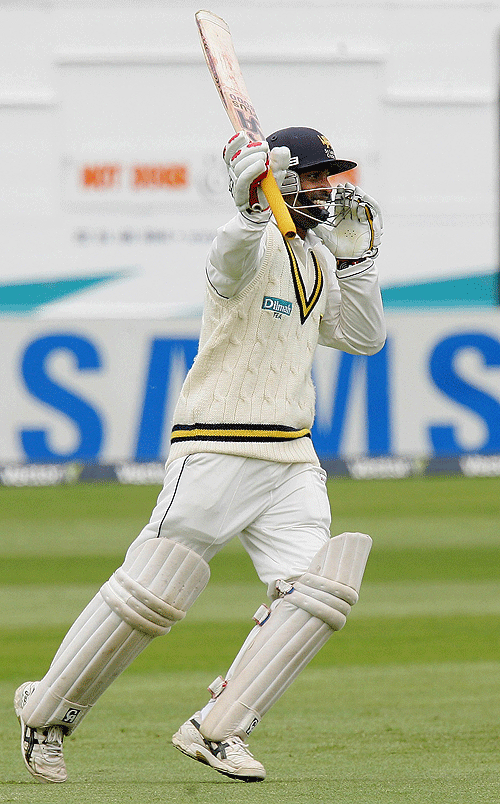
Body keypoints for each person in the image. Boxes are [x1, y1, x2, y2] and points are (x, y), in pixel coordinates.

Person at [14, 126, 386, 784]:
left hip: (292, 456)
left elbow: (362, 337)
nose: (333, 191)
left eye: (335, 177)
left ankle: (218, 730)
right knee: (155, 590)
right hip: (217, 442)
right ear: (284, 181)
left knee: (323, 588)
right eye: (320, 177)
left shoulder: (321, 259)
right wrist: (247, 207)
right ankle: (45, 713)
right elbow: (230, 256)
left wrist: (358, 265)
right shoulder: (246, 243)